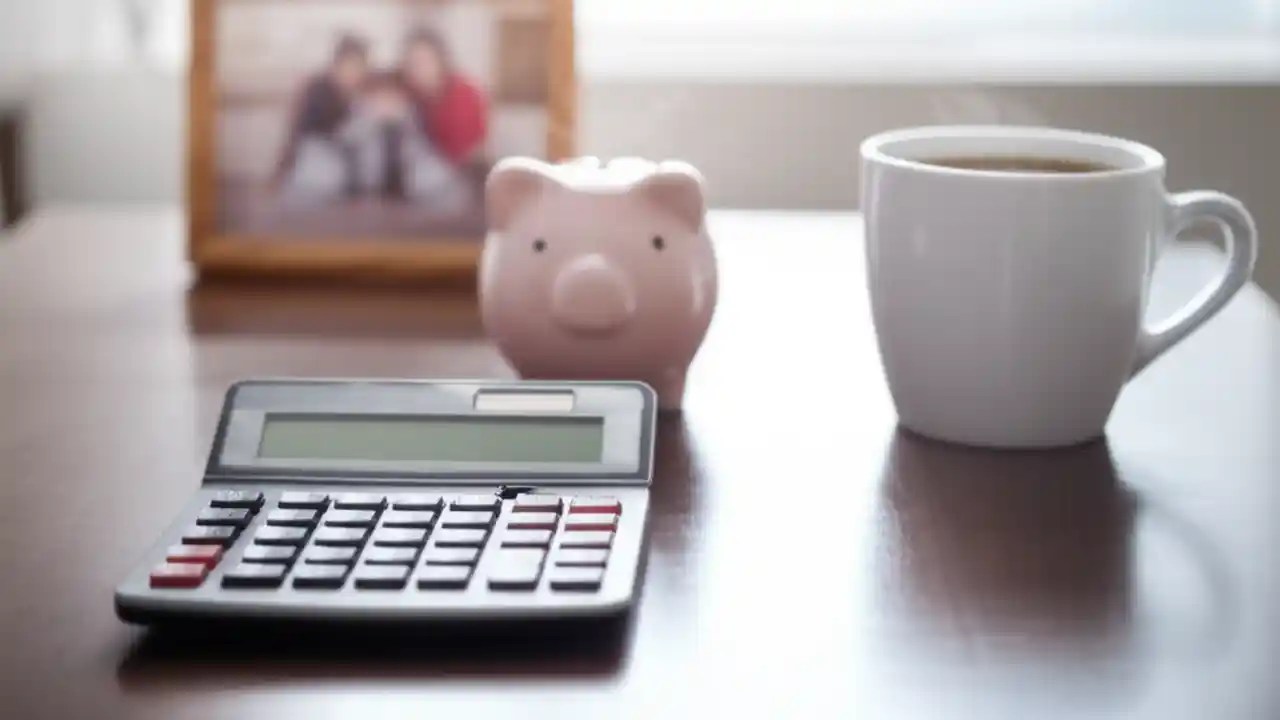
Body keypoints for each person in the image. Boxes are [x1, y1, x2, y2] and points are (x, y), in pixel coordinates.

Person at [274, 34, 369, 201]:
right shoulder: (318, 90)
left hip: (337, 176)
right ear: (335, 65)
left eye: (359, 67)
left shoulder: (359, 94)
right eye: (348, 65)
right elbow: (300, 136)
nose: (353, 73)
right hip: (313, 166)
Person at [399, 27, 489, 166]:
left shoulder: (464, 94)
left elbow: (465, 153)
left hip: (463, 173)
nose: (418, 70)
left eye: (425, 61)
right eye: (412, 63)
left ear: (441, 61)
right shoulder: (411, 95)